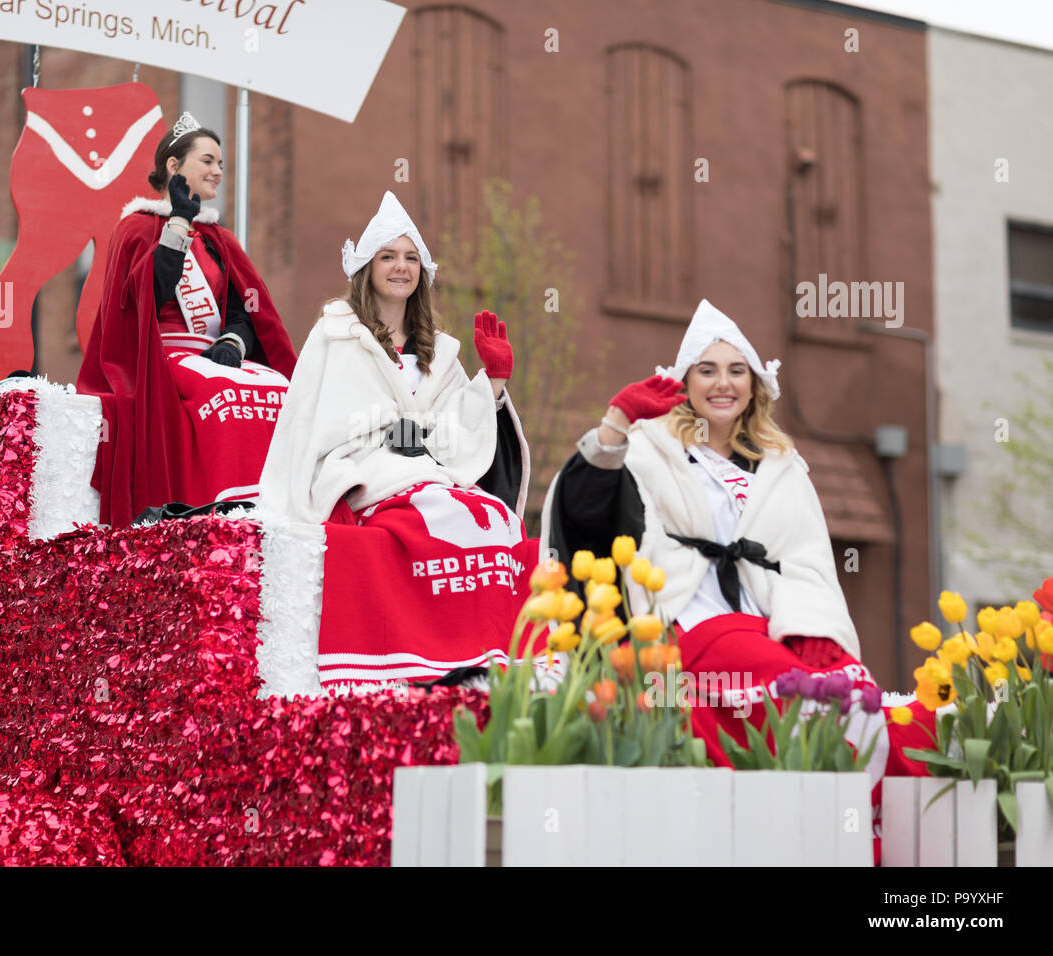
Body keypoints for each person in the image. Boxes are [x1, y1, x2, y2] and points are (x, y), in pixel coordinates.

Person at [542, 300, 932, 804]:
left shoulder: (783, 465)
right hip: (694, 620)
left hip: (776, 620)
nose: (722, 383)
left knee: (859, 702)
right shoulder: (649, 448)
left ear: (754, 386)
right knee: (797, 699)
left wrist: (813, 627)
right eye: (707, 371)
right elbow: (585, 511)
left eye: (735, 371)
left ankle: (873, 841)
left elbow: (807, 557)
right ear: (686, 382)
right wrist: (616, 423)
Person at [258, 191, 535, 687]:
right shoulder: (335, 335)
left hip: (430, 474)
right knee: (438, 518)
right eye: (389, 257)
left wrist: (490, 381)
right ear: (368, 267)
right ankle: (425, 651)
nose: (401, 267)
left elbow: (457, 433)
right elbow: (315, 423)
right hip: (370, 473)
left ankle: (487, 651)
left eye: (411, 259)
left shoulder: (439, 354)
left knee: (496, 521)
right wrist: (385, 434)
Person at [77, 111, 297, 527]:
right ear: (174, 168)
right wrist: (177, 223)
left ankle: (275, 510)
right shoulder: (136, 229)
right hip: (161, 360)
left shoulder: (219, 239)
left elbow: (244, 310)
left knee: (277, 389)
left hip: (215, 356)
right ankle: (222, 510)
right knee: (231, 400)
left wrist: (232, 343)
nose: (217, 171)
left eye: (220, 164)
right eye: (208, 161)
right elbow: (150, 294)